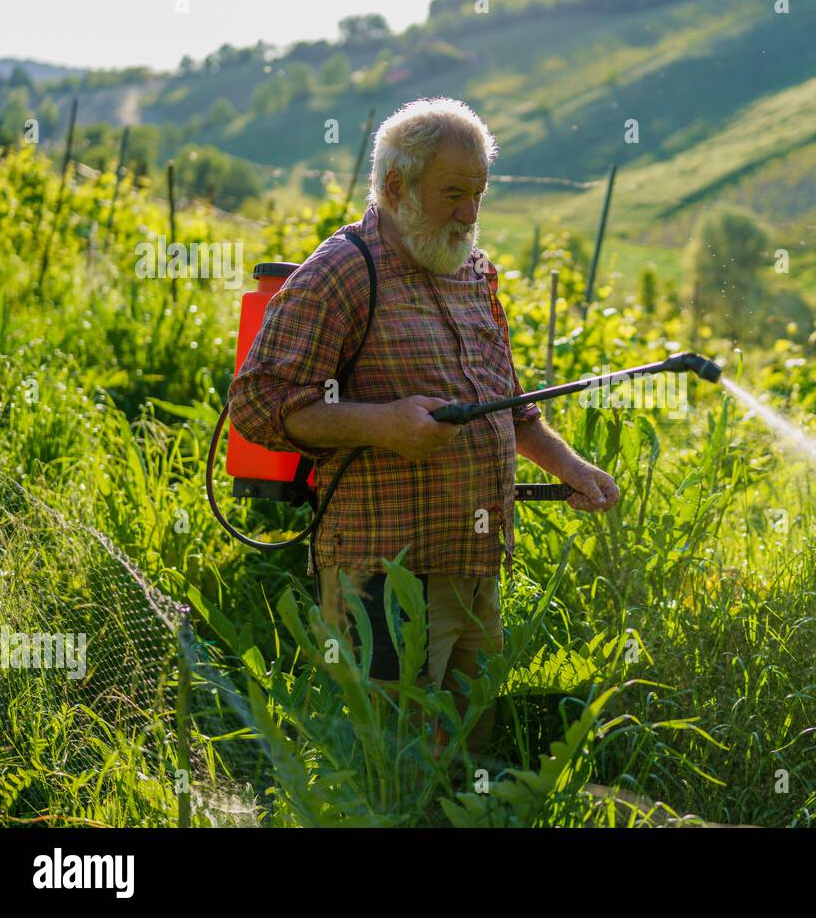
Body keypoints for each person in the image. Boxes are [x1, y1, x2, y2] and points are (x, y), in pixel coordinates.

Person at [228, 97, 619, 762]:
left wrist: (571, 468)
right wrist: (383, 424)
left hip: (475, 566)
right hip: (384, 574)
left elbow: (510, 408)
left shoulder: (471, 269)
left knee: (471, 750)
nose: (470, 212)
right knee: (393, 763)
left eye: (479, 194)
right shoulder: (342, 273)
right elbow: (258, 403)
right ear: (394, 187)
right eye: (454, 194)